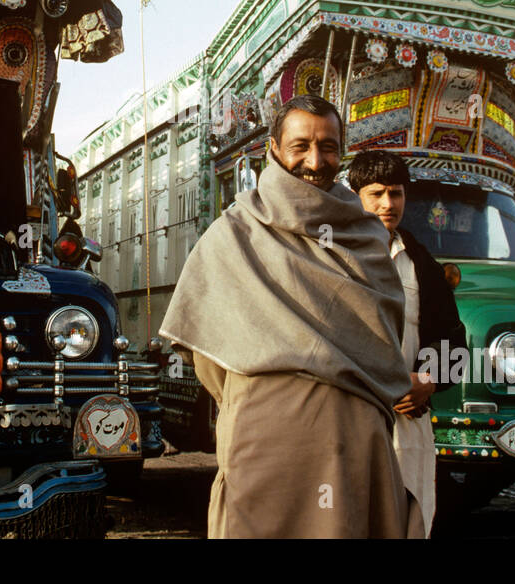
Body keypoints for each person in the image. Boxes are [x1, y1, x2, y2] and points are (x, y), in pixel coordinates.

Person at [160, 95, 411, 538]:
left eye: (328, 146)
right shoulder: (234, 233)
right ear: (274, 149)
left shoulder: (365, 235)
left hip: (353, 439)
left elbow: (385, 336)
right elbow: (209, 358)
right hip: (265, 437)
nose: (315, 161)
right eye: (301, 146)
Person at [348, 148, 467, 538]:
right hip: (350, 417)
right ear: (355, 196)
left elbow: (452, 337)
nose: (388, 203)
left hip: (409, 422)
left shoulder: (420, 262)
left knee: (411, 519)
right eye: (377, 193)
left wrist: (428, 382)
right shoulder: (334, 254)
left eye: (396, 193)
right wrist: (385, 384)